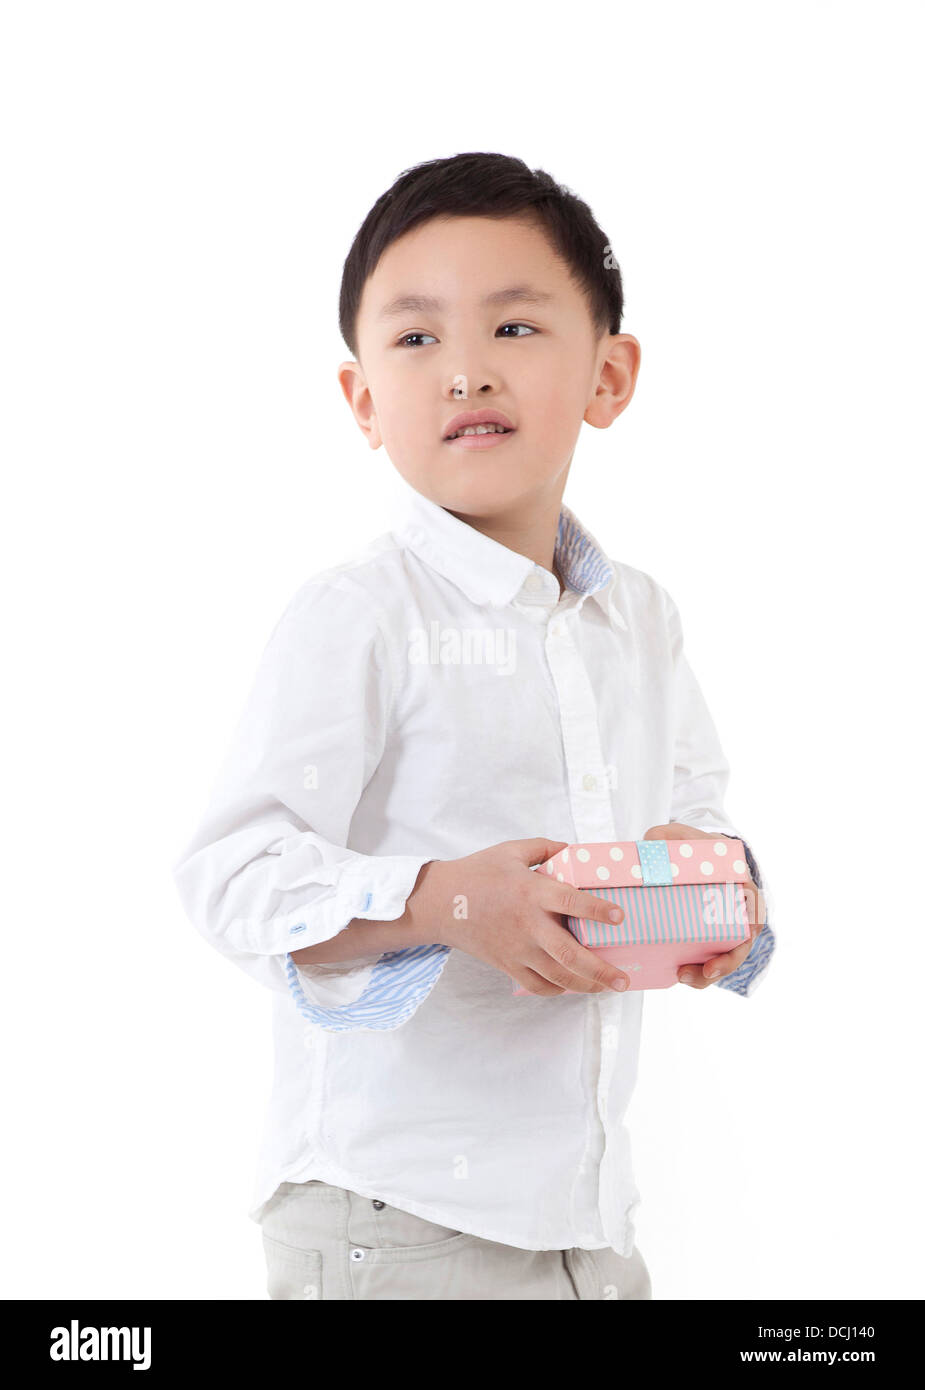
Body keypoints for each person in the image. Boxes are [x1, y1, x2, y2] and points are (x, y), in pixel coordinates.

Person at [172, 151, 775, 1301]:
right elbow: (231, 875)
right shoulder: (358, 614)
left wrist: (713, 894)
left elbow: (694, 809)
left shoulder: (637, 615)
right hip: (392, 1216)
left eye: (512, 330)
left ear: (608, 375)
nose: (462, 374)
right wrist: (451, 902)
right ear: (361, 401)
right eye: (414, 340)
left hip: (586, 1216)